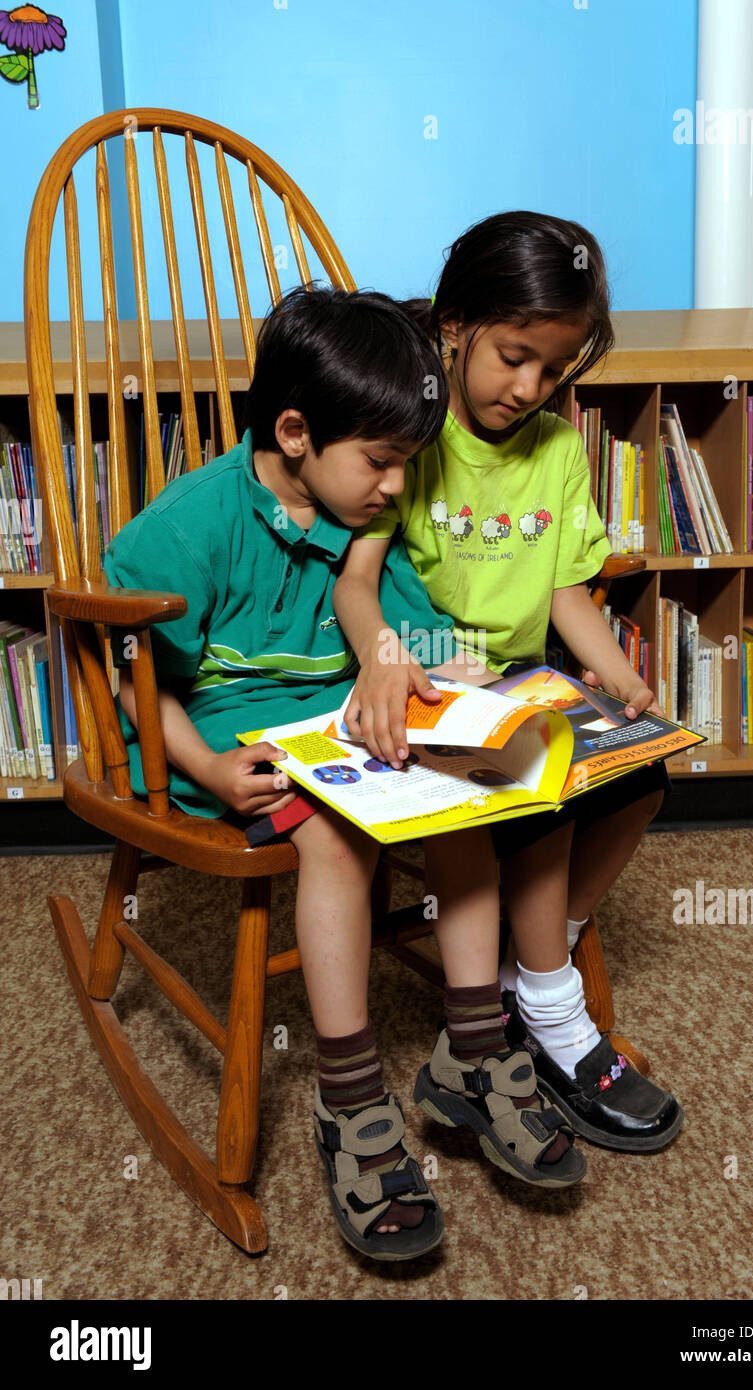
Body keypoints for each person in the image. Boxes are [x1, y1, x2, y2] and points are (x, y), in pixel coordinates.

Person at [103, 285, 582, 1264]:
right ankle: (351, 1096)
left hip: (335, 720)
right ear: (292, 432)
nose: (395, 489)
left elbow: (395, 633)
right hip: (225, 735)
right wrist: (201, 762)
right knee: (332, 835)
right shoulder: (194, 522)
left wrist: (435, 669)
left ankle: (476, 1048)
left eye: (406, 464)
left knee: (466, 805)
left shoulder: (354, 514)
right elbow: (129, 668)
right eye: (381, 461)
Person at [333, 212, 683, 1155]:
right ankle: (555, 1015)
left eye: (552, 370)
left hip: (526, 682)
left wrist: (616, 675)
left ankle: (541, 966)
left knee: (640, 779)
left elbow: (567, 591)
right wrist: (383, 655)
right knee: (537, 796)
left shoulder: (558, 448)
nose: (528, 388)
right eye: (513, 356)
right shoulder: (407, 431)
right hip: (432, 690)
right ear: (455, 326)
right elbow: (354, 580)